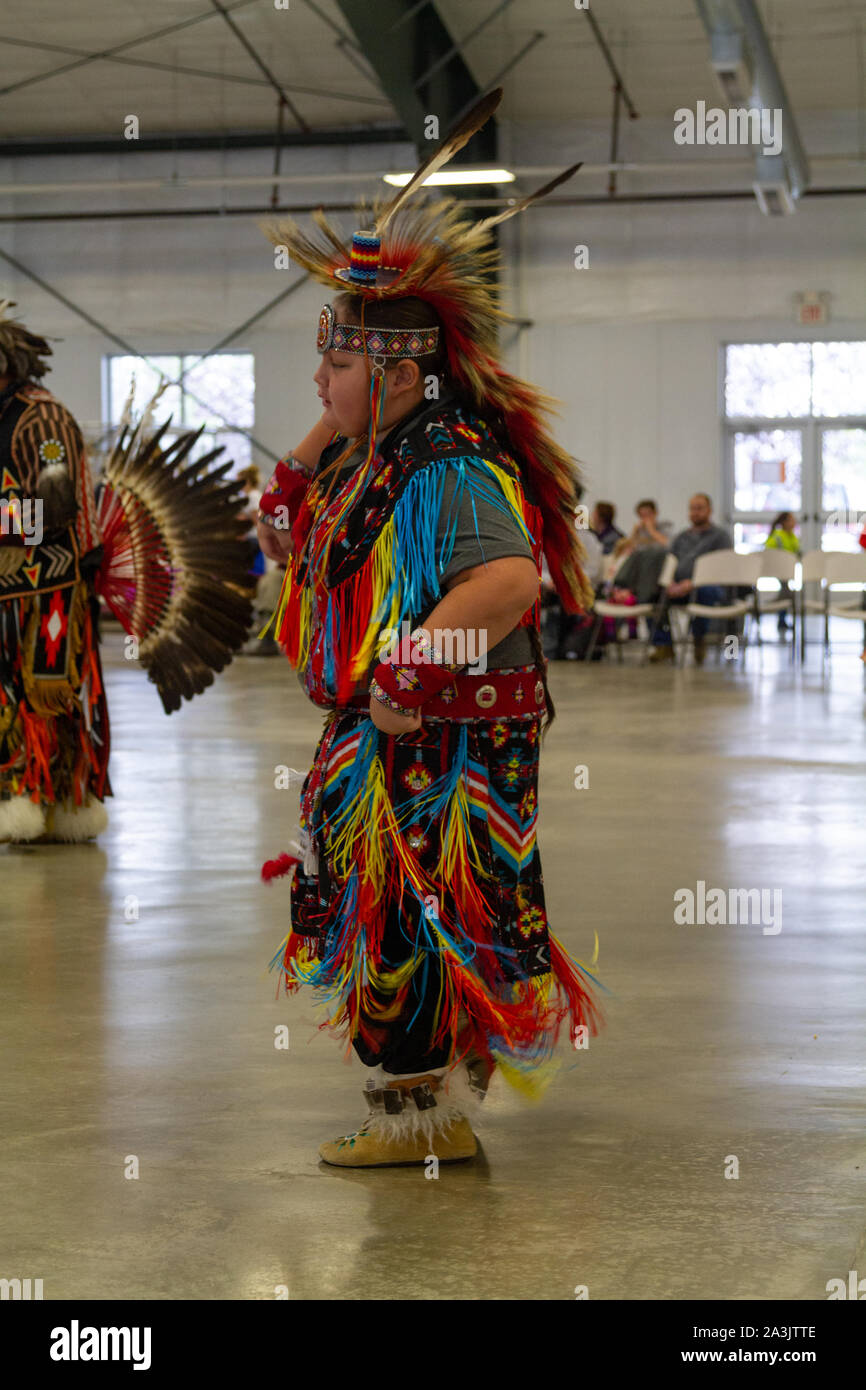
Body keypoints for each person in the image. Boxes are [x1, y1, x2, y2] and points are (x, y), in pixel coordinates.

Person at [256, 93, 601, 1168]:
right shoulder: (376, 452)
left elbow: (508, 582)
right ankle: (427, 1104)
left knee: (412, 915)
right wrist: (330, 417)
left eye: (339, 365)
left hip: (437, 745)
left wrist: (412, 659)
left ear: (400, 373)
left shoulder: (442, 463)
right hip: (394, 735)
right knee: (395, 912)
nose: (318, 380)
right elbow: (282, 525)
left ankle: (418, 1117)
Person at [0, 301, 109, 842]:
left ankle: (54, 798)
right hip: (12, 589)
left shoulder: (42, 419)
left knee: (46, 694)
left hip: (48, 591)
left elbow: (51, 511)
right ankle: (22, 798)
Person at [649, 493, 732, 664]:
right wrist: (670, 583)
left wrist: (693, 583)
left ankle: (699, 640)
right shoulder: (681, 537)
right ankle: (663, 645)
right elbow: (670, 563)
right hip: (679, 586)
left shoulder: (720, 537)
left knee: (704, 593)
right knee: (651, 593)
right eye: (692, 509)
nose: (695, 512)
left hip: (709, 585)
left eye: (700, 508)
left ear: (709, 510)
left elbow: (723, 567)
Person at [764, 511, 799, 636]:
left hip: (788, 570)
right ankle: (781, 619)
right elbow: (768, 551)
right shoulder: (778, 536)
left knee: (785, 594)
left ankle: (782, 619)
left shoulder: (792, 536)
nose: (794, 522)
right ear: (784, 522)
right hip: (778, 570)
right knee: (786, 593)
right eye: (791, 520)